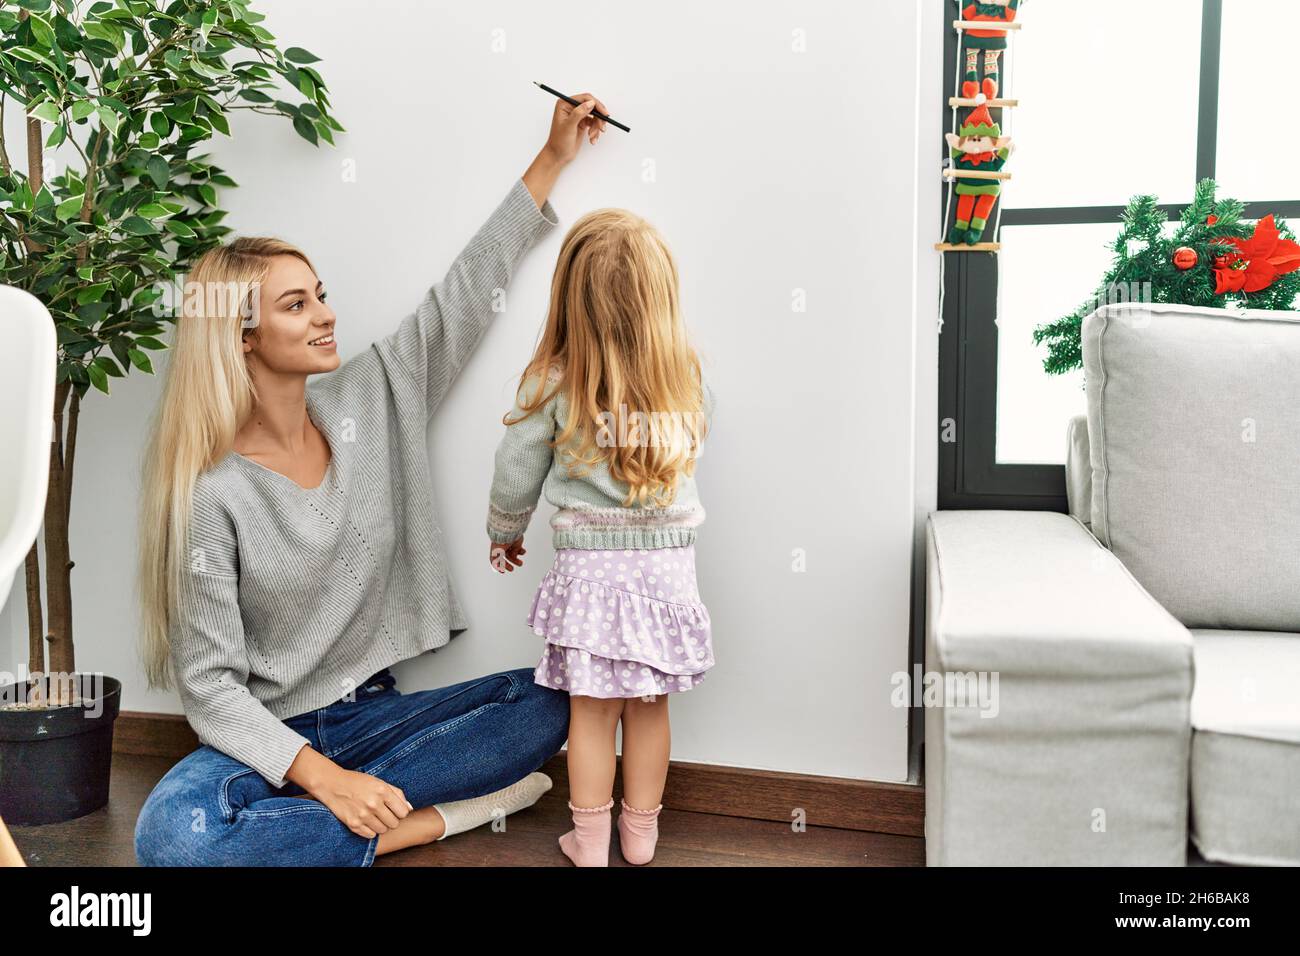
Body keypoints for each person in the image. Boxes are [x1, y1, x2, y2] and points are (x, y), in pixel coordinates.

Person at [133, 93, 611, 866]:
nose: (324, 313)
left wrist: (553, 157)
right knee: (169, 840)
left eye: (319, 294)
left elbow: (461, 300)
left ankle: (344, 822)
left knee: (549, 699)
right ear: (242, 337)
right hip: (268, 738)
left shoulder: (370, 396)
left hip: (378, 717)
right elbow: (212, 689)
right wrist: (320, 779)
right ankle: (426, 821)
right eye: (297, 304)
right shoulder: (211, 493)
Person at [486, 207, 715, 866]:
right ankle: (640, 837)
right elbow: (697, 441)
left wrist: (504, 531)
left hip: (591, 571)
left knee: (590, 710)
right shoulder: (685, 374)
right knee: (648, 706)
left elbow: (515, 467)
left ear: (570, 298)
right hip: (668, 569)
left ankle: (589, 843)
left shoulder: (553, 378)